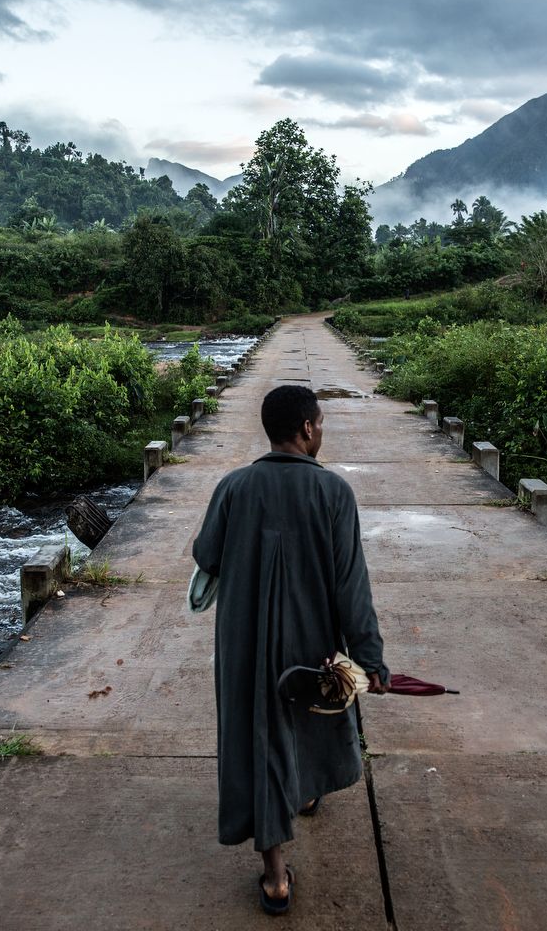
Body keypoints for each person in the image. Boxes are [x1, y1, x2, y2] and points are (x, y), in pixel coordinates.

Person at [191, 384, 390, 915]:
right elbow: (352, 589)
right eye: (320, 423)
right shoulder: (333, 494)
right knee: (305, 716)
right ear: (306, 429)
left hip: (244, 645)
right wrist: (370, 659)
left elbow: (206, 555)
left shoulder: (233, 487)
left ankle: (276, 874)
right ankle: (293, 824)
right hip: (311, 641)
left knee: (258, 737)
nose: (321, 431)